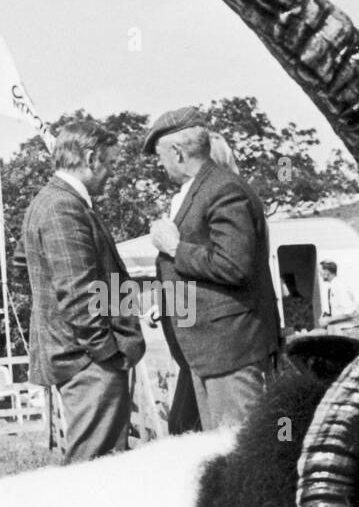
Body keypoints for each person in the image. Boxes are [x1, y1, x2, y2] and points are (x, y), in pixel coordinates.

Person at [16, 119, 145, 462]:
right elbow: (78, 294)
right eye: (111, 163)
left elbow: (22, 265)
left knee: (102, 469)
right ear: (90, 157)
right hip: (89, 362)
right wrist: (107, 353)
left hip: (83, 357)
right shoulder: (63, 206)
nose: (112, 173)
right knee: (92, 470)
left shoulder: (54, 202)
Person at [143, 107, 280, 430]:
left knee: (237, 454)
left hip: (231, 350)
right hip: (214, 351)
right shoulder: (207, 189)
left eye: (160, 156)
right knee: (221, 454)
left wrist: (175, 248)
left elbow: (233, 266)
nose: (160, 165)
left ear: (177, 153)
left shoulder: (223, 190)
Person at [318, 260, 358, 330]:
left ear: (327, 272)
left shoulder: (339, 287)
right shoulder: (333, 286)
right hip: (340, 329)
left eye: (320, 271)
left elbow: (351, 312)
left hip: (347, 329)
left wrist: (328, 320)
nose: (320, 274)